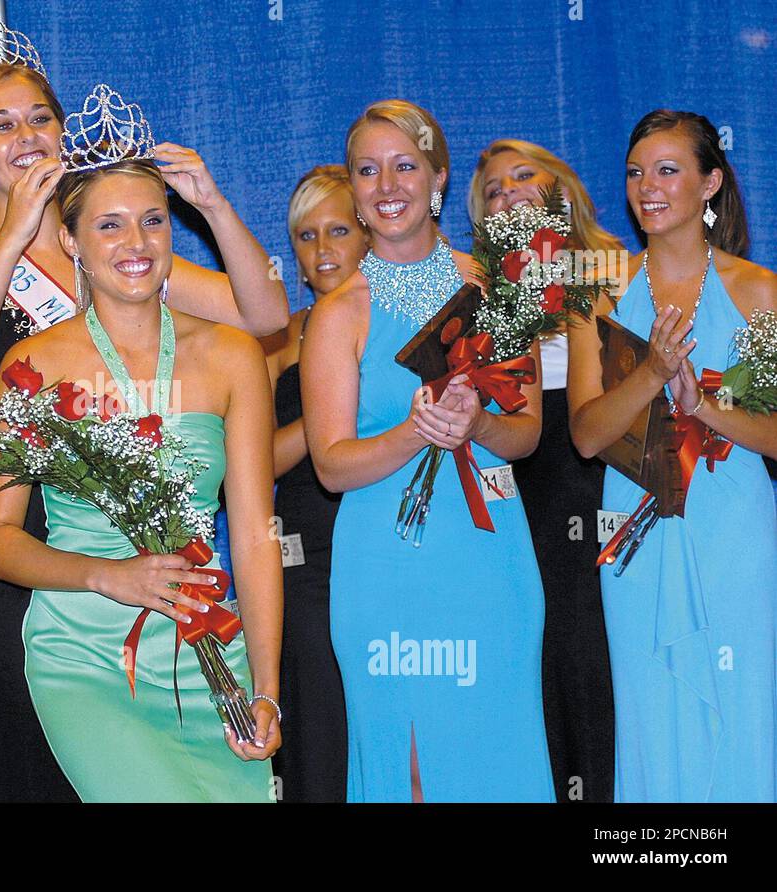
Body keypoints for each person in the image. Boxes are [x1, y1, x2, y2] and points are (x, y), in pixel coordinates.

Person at [0, 15, 288, 802]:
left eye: (41, 117)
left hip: (152, 542)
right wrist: (13, 237)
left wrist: (213, 210)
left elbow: (262, 316)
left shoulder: (121, 249)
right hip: (20, 540)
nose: (27, 136)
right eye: (1, 124)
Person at [301, 99, 553, 802]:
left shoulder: (496, 288)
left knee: (494, 759)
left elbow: (526, 432)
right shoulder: (337, 312)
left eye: (405, 165)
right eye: (368, 170)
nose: (388, 185)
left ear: (438, 177)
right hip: (385, 570)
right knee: (407, 771)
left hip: (486, 564)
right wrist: (415, 431)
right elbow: (331, 463)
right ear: (351, 188)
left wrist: (475, 426)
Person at [568, 110, 777, 802]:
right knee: (651, 718)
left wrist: (705, 408)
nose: (646, 188)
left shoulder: (759, 292)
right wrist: (652, 374)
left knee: (742, 712)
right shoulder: (596, 297)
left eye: (667, 170)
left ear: (710, 182)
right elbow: (587, 435)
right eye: (635, 172)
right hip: (638, 539)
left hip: (736, 539)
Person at [468, 139, 621, 802]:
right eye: (494, 191)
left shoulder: (621, 273)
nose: (509, 193)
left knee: (600, 664)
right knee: (538, 664)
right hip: (519, 499)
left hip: (601, 490)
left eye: (522, 177)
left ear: (563, 187)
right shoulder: (483, 302)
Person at [261, 165, 365, 802]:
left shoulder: (402, 322)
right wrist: (328, 413)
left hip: (391, 538)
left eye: (337, 230)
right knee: (322, 737)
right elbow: (252, 466)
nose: (322, 250)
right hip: (306, 559)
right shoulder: (276, 341)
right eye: (305, 236)